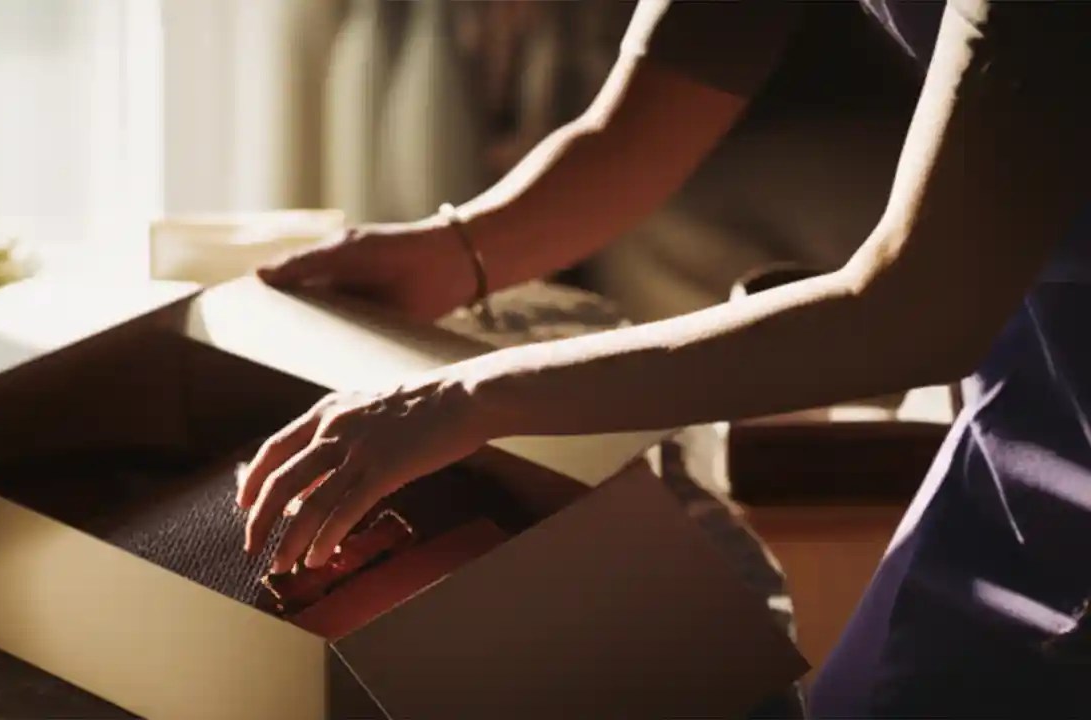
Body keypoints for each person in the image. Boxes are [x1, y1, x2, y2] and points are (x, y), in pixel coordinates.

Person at [237, 1, 1091, 715]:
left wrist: (468, 397)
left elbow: (914, 309)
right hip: (1034, 362)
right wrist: (455, 249)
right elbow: (640, 123)